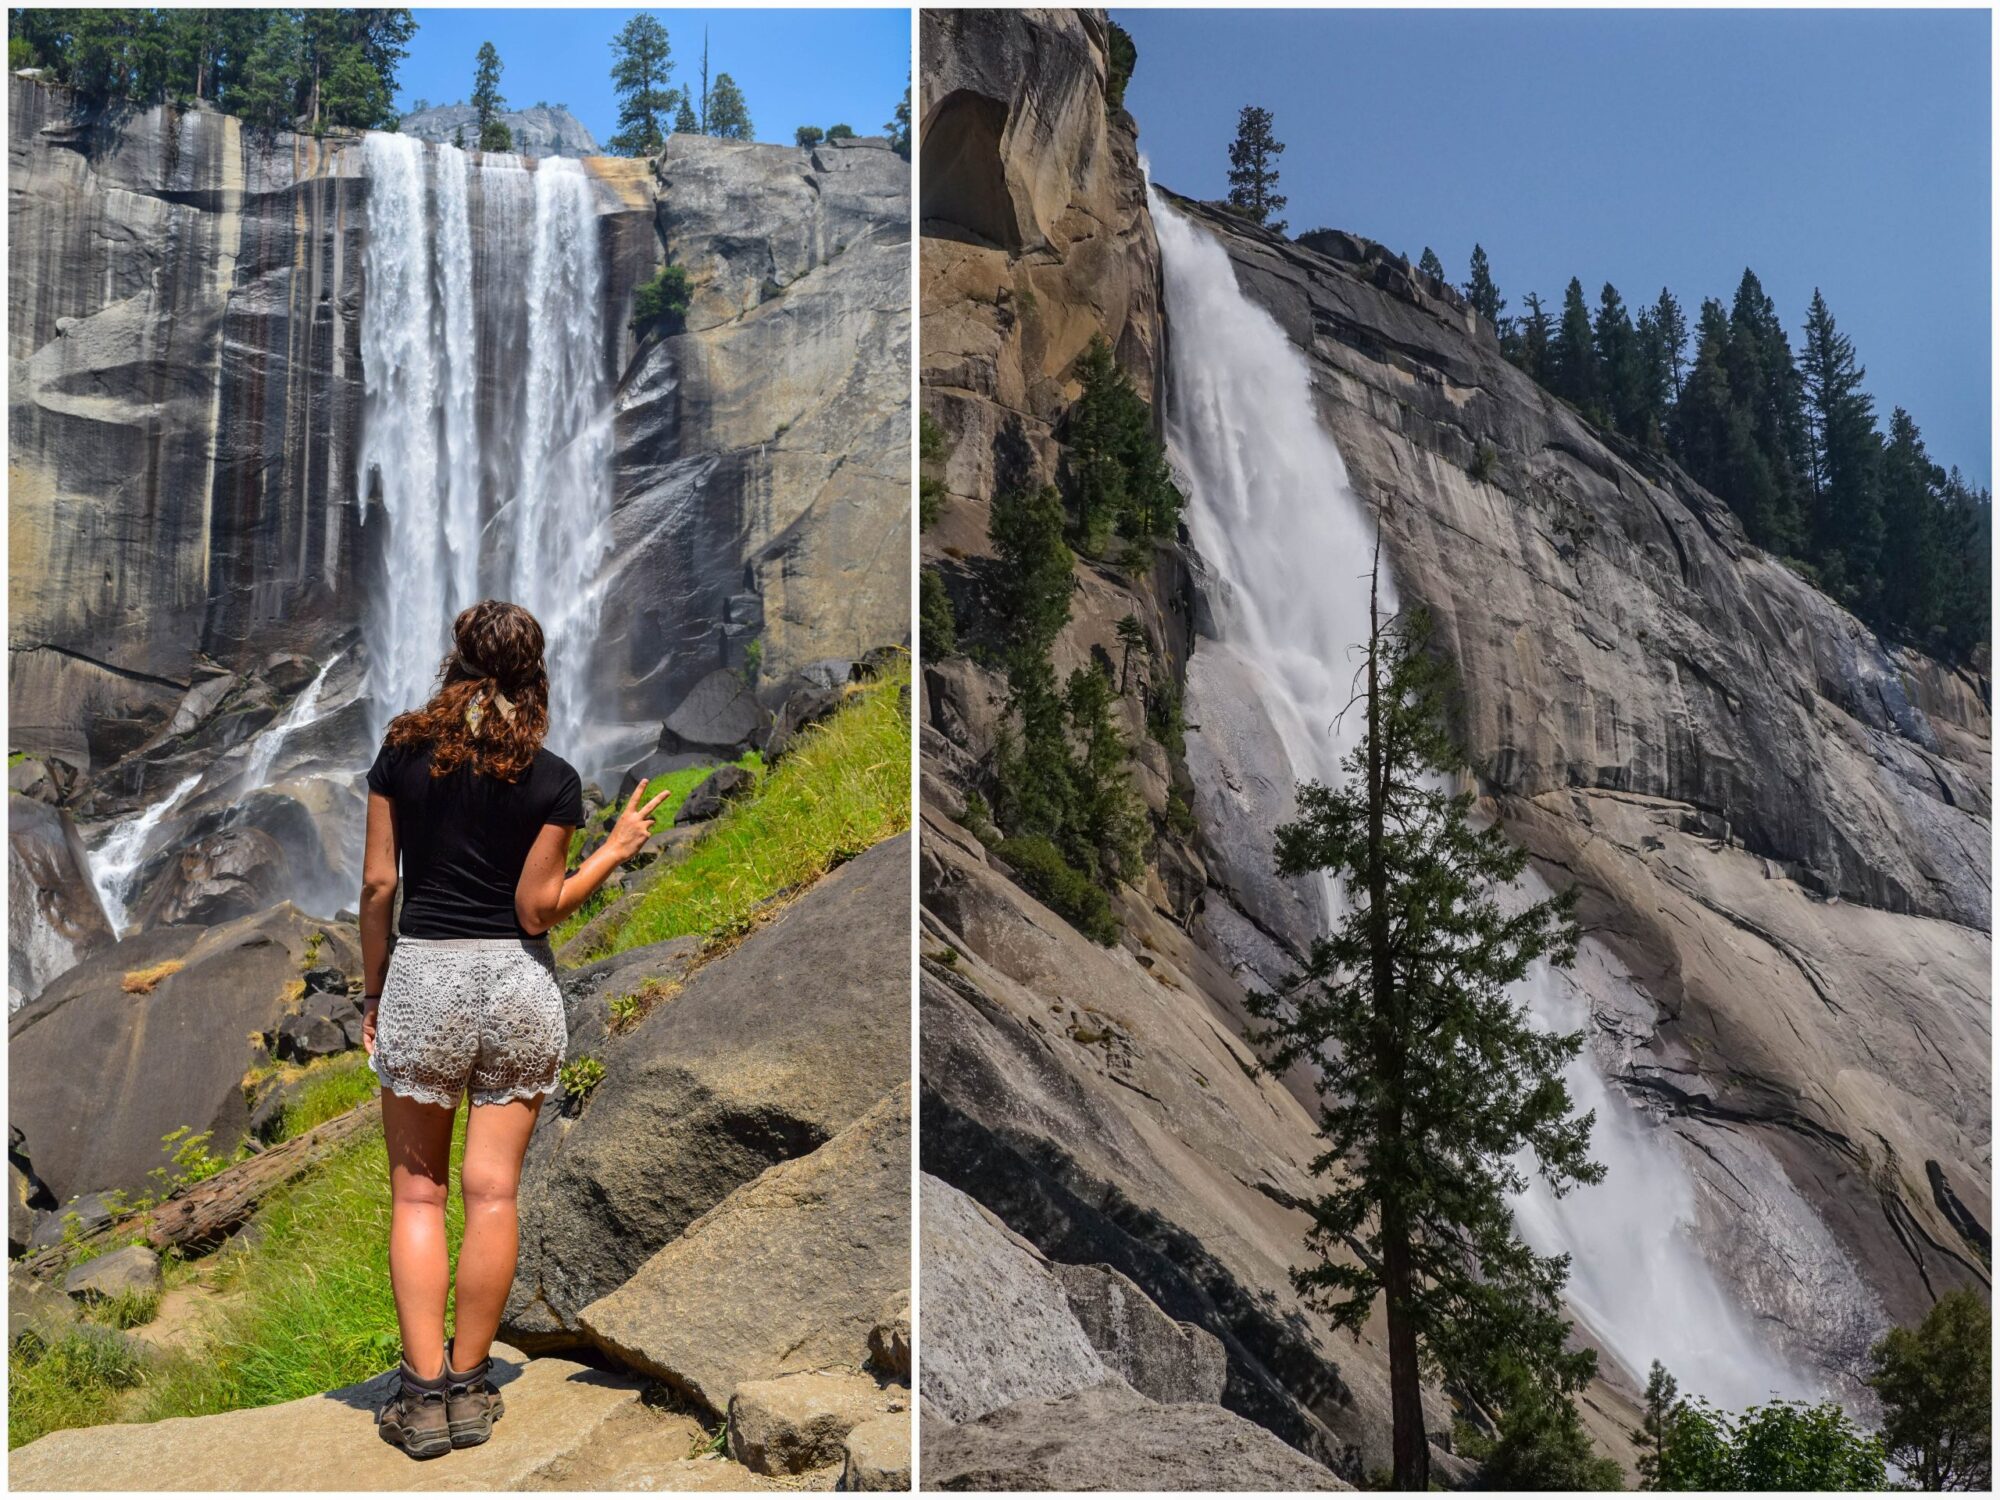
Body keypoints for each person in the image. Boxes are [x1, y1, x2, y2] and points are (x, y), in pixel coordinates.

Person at [357, 599, 668, 1459]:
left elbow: (381, 887)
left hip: (426, 978)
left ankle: (421, 1401)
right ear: (536, 675)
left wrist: (374, 992)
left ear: (455, 665)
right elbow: (537, 910)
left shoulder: (400, 758)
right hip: (518, 990)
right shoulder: (552, 777)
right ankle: (469, 1386)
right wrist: (614, 850)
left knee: (418, 1194)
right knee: (492, 1194)